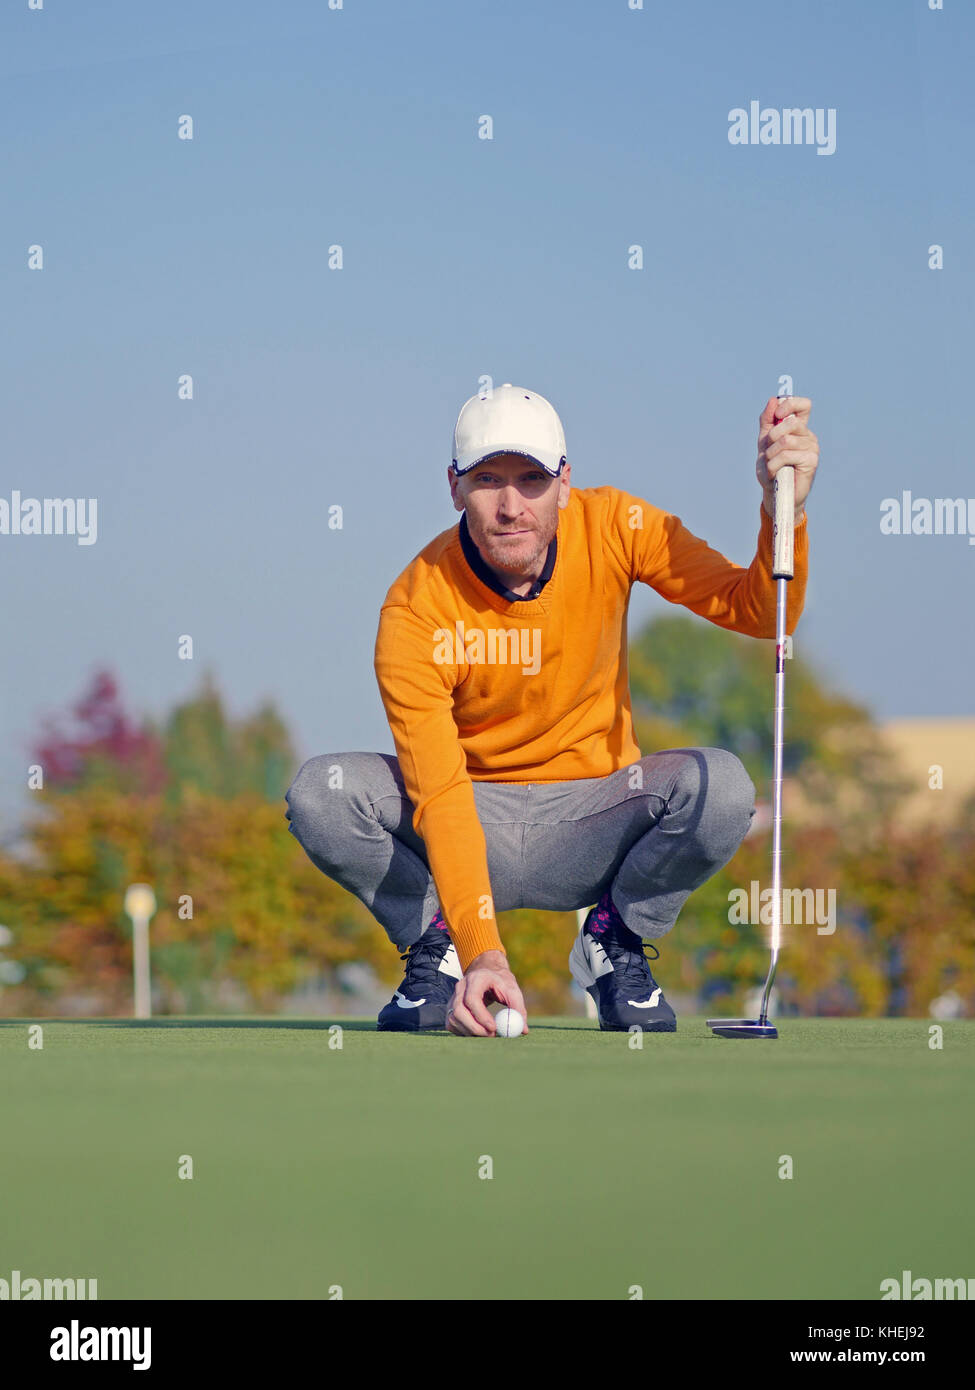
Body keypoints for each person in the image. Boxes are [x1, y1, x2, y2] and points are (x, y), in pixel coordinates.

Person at [285, 383, 818, 1036]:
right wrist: (485, 948)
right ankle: (439, 948)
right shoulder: (415, 605)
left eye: (531, 479)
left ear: (565, 483)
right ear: (453, 487)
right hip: (465, 818)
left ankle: (611, 940)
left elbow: (761, 611)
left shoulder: (618, 526)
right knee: (322, 792)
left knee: (722, 787)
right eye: (487, 480)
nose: (510, 505)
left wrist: (779, 507)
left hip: (596, 814)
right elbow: (442, 792)